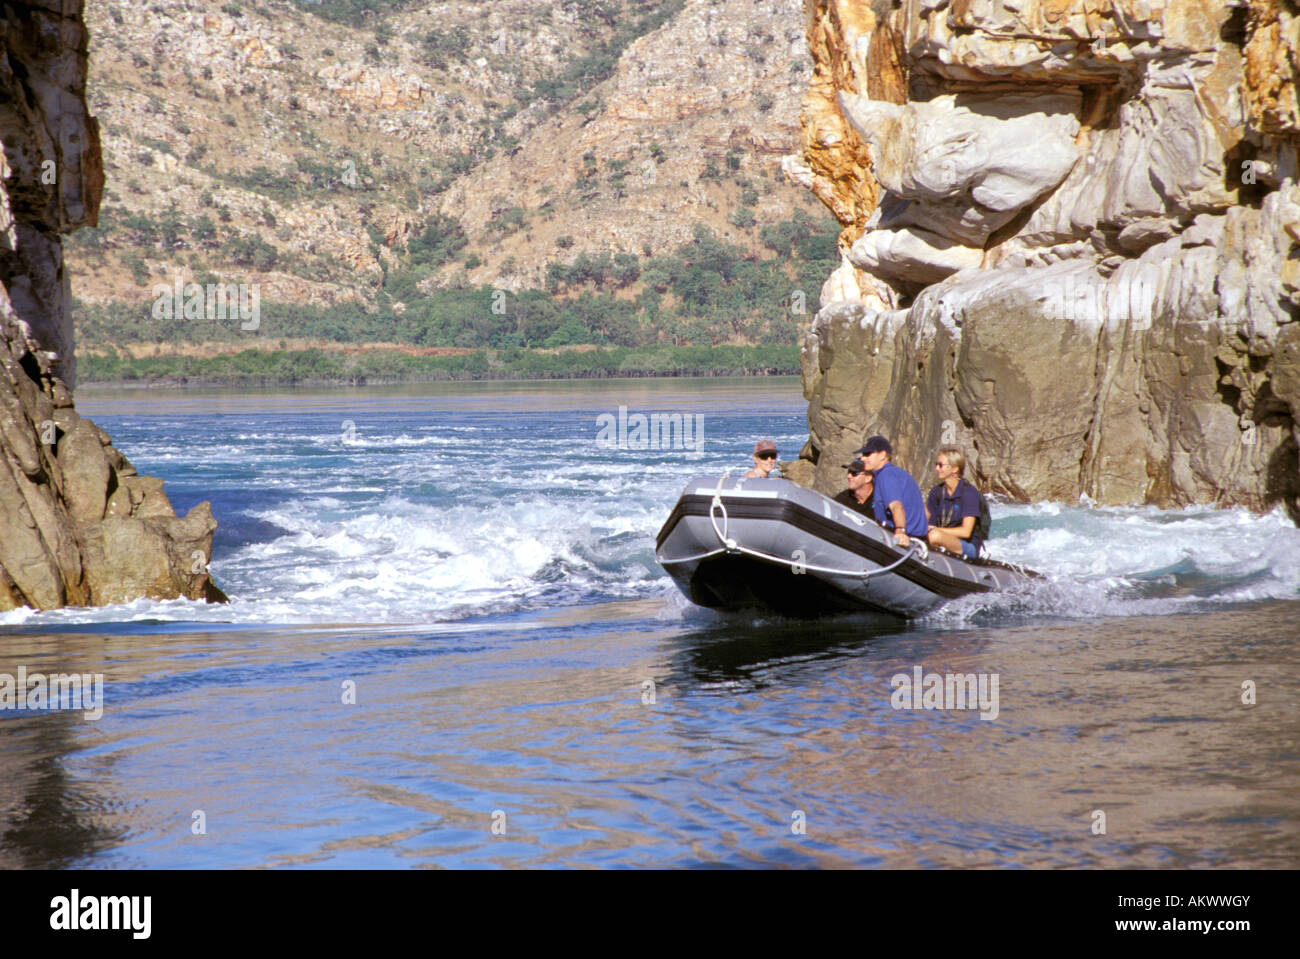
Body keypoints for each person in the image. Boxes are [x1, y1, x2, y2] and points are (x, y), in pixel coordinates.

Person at [854, 435, 927, 547]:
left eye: (868, 454)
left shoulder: (886, 475)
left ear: (883, 455)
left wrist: (900, 530)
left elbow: (896, 506)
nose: (863, 458)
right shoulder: (897, 473)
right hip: (917, 538)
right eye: (863, 455)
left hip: (907, 539)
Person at [926, 447, 983, 559]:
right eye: (936, 464)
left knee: (934, 535)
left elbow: (966, 532)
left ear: (954, 469)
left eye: (940, 465)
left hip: (967, 546)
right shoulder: (936, 492)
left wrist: (936, 530)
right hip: (939, 538)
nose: (936, 468)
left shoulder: (969, 493)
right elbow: (930, 524)